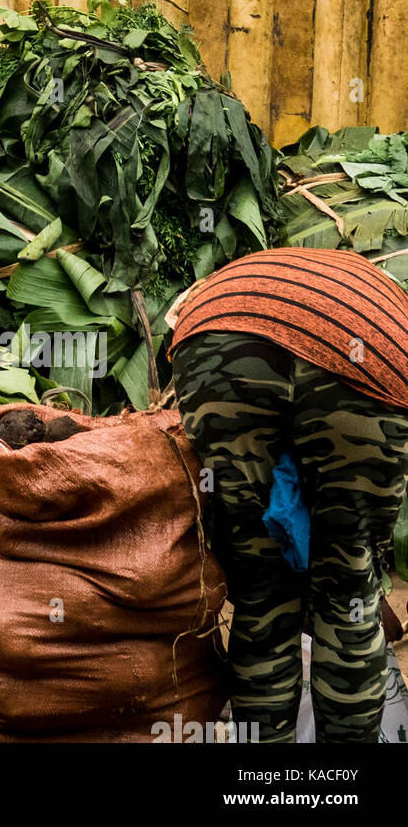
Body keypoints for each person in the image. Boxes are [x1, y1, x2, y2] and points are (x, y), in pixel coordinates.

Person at [167, 246, 408, 742]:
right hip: (363, 346)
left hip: (216, 335)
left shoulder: (246, 274)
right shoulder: (387, 303)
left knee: (259, 590)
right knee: (347, 585)